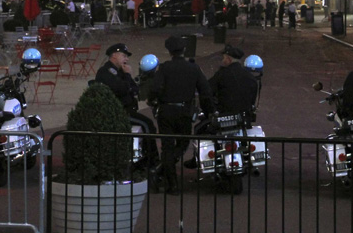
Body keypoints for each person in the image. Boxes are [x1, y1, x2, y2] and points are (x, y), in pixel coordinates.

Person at [150, 36, 215, 195]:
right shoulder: (193, 68)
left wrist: (154, 101)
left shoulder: (164, 68)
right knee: (183, 142)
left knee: (167, 146)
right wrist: (209, 112)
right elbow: (205, 92)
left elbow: (155, 89)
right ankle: (165, 167)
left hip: (166, 111)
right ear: (184, 50)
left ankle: (171, 182)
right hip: (185, 112)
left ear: (170, 51)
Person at [94, 43, 158, 176]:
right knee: (147, 125)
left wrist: (128, 80)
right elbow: (122, 89)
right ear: (114, 56)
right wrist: (128, 76)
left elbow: (134, 90)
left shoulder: (120, 72)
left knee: (147, 125)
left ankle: (146, 158)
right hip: (119, 111)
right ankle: (152, 161)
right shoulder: (106, 72)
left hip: (128, 109)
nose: (126, 59)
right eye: (123, 55)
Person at [208, 45, 258, 116]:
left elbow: (208, 90)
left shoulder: (222, 74)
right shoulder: (250, 76)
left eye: (224, 58)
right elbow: (253, 99)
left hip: (225, 114)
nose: (223, 61)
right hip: (244, 116)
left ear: (229, 59)